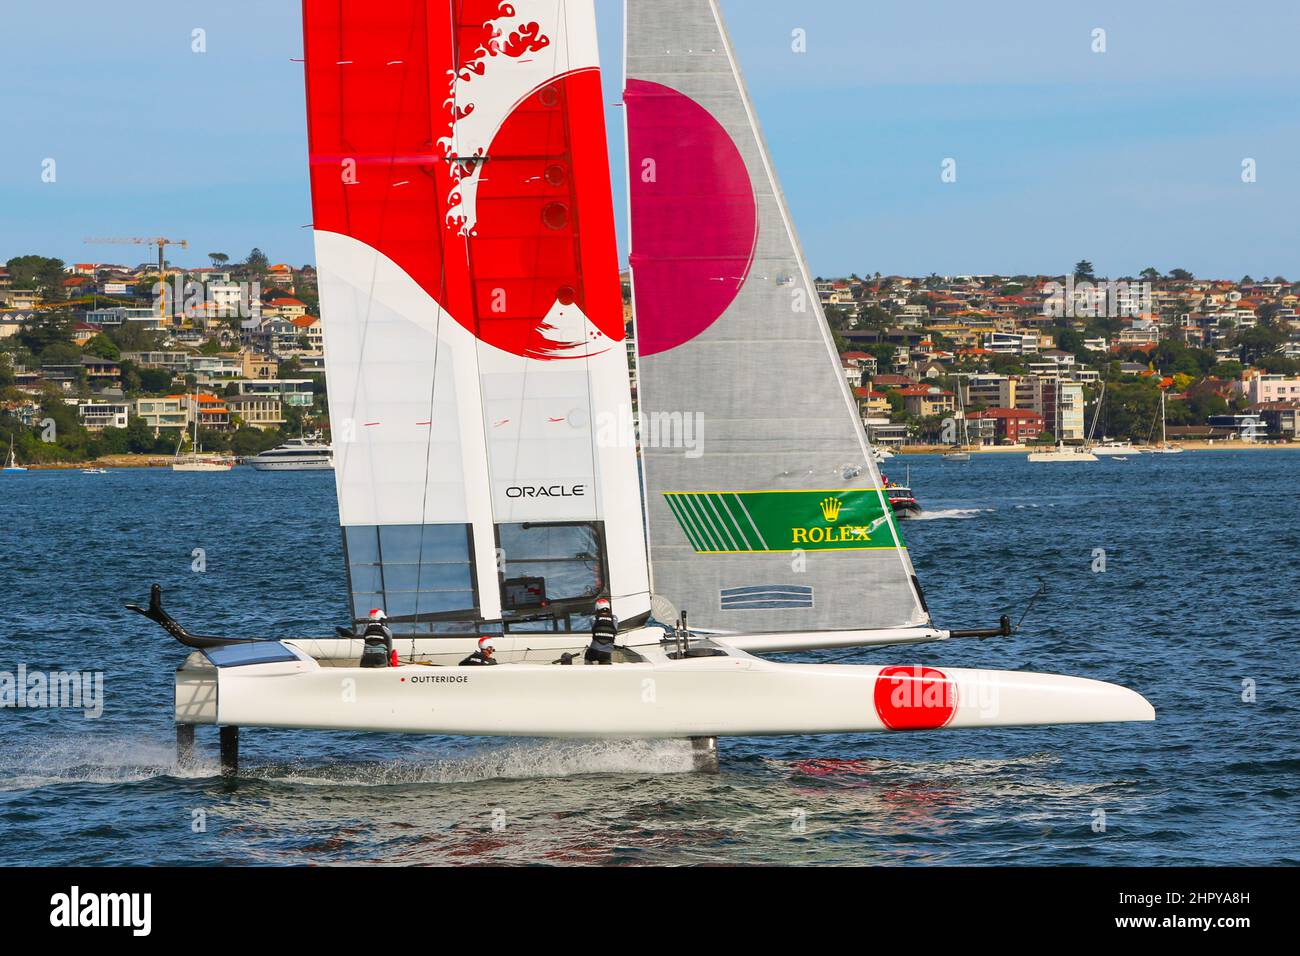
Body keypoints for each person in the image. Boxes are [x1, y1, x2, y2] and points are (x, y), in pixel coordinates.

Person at [585, 598, 617, 665]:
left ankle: (588, 671)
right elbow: (615, 629)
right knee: (605, 665)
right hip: (607, 652)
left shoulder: (593, 618)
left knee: (587, 657)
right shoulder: (615, 618)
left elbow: (593, 626)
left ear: (597, 608)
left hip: (594, 650)